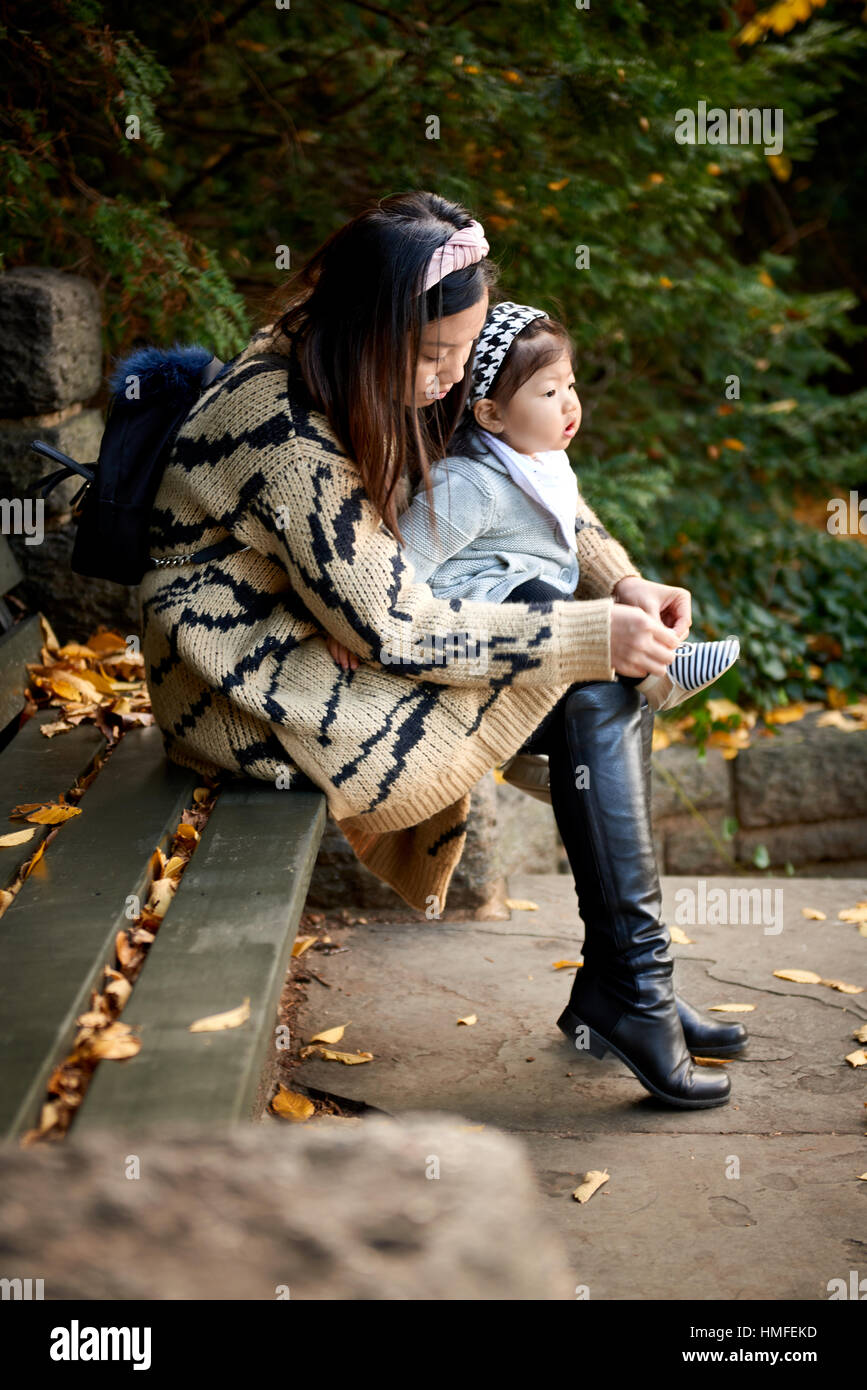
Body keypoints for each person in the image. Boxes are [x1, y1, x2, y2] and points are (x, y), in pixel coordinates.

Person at [140, 190, 743, 1109]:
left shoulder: (357, 358)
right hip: (248, 683)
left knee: (586, 665)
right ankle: (630, 986)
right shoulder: (291, 433)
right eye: (436, 358)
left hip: (330, 630)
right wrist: (591, 633)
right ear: (375, 326)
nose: (453, 380)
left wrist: (613, 579)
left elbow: (521, 477)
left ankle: (629, 984)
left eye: (465, 356)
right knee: (587, 675)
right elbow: (395, 628)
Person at [325, 299, 741, 806]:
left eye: (570, 385)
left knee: (559, 614)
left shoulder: (539, 461)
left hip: (519, 640)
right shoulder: (468, 484)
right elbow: (403, 561)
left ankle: (534, 755)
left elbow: (575, 527)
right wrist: (355, 622)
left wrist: (626, 582)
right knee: (545, 599)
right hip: (469, 623)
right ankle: (660, 668)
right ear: (491, 414)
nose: (569, 404)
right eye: (548, 391)